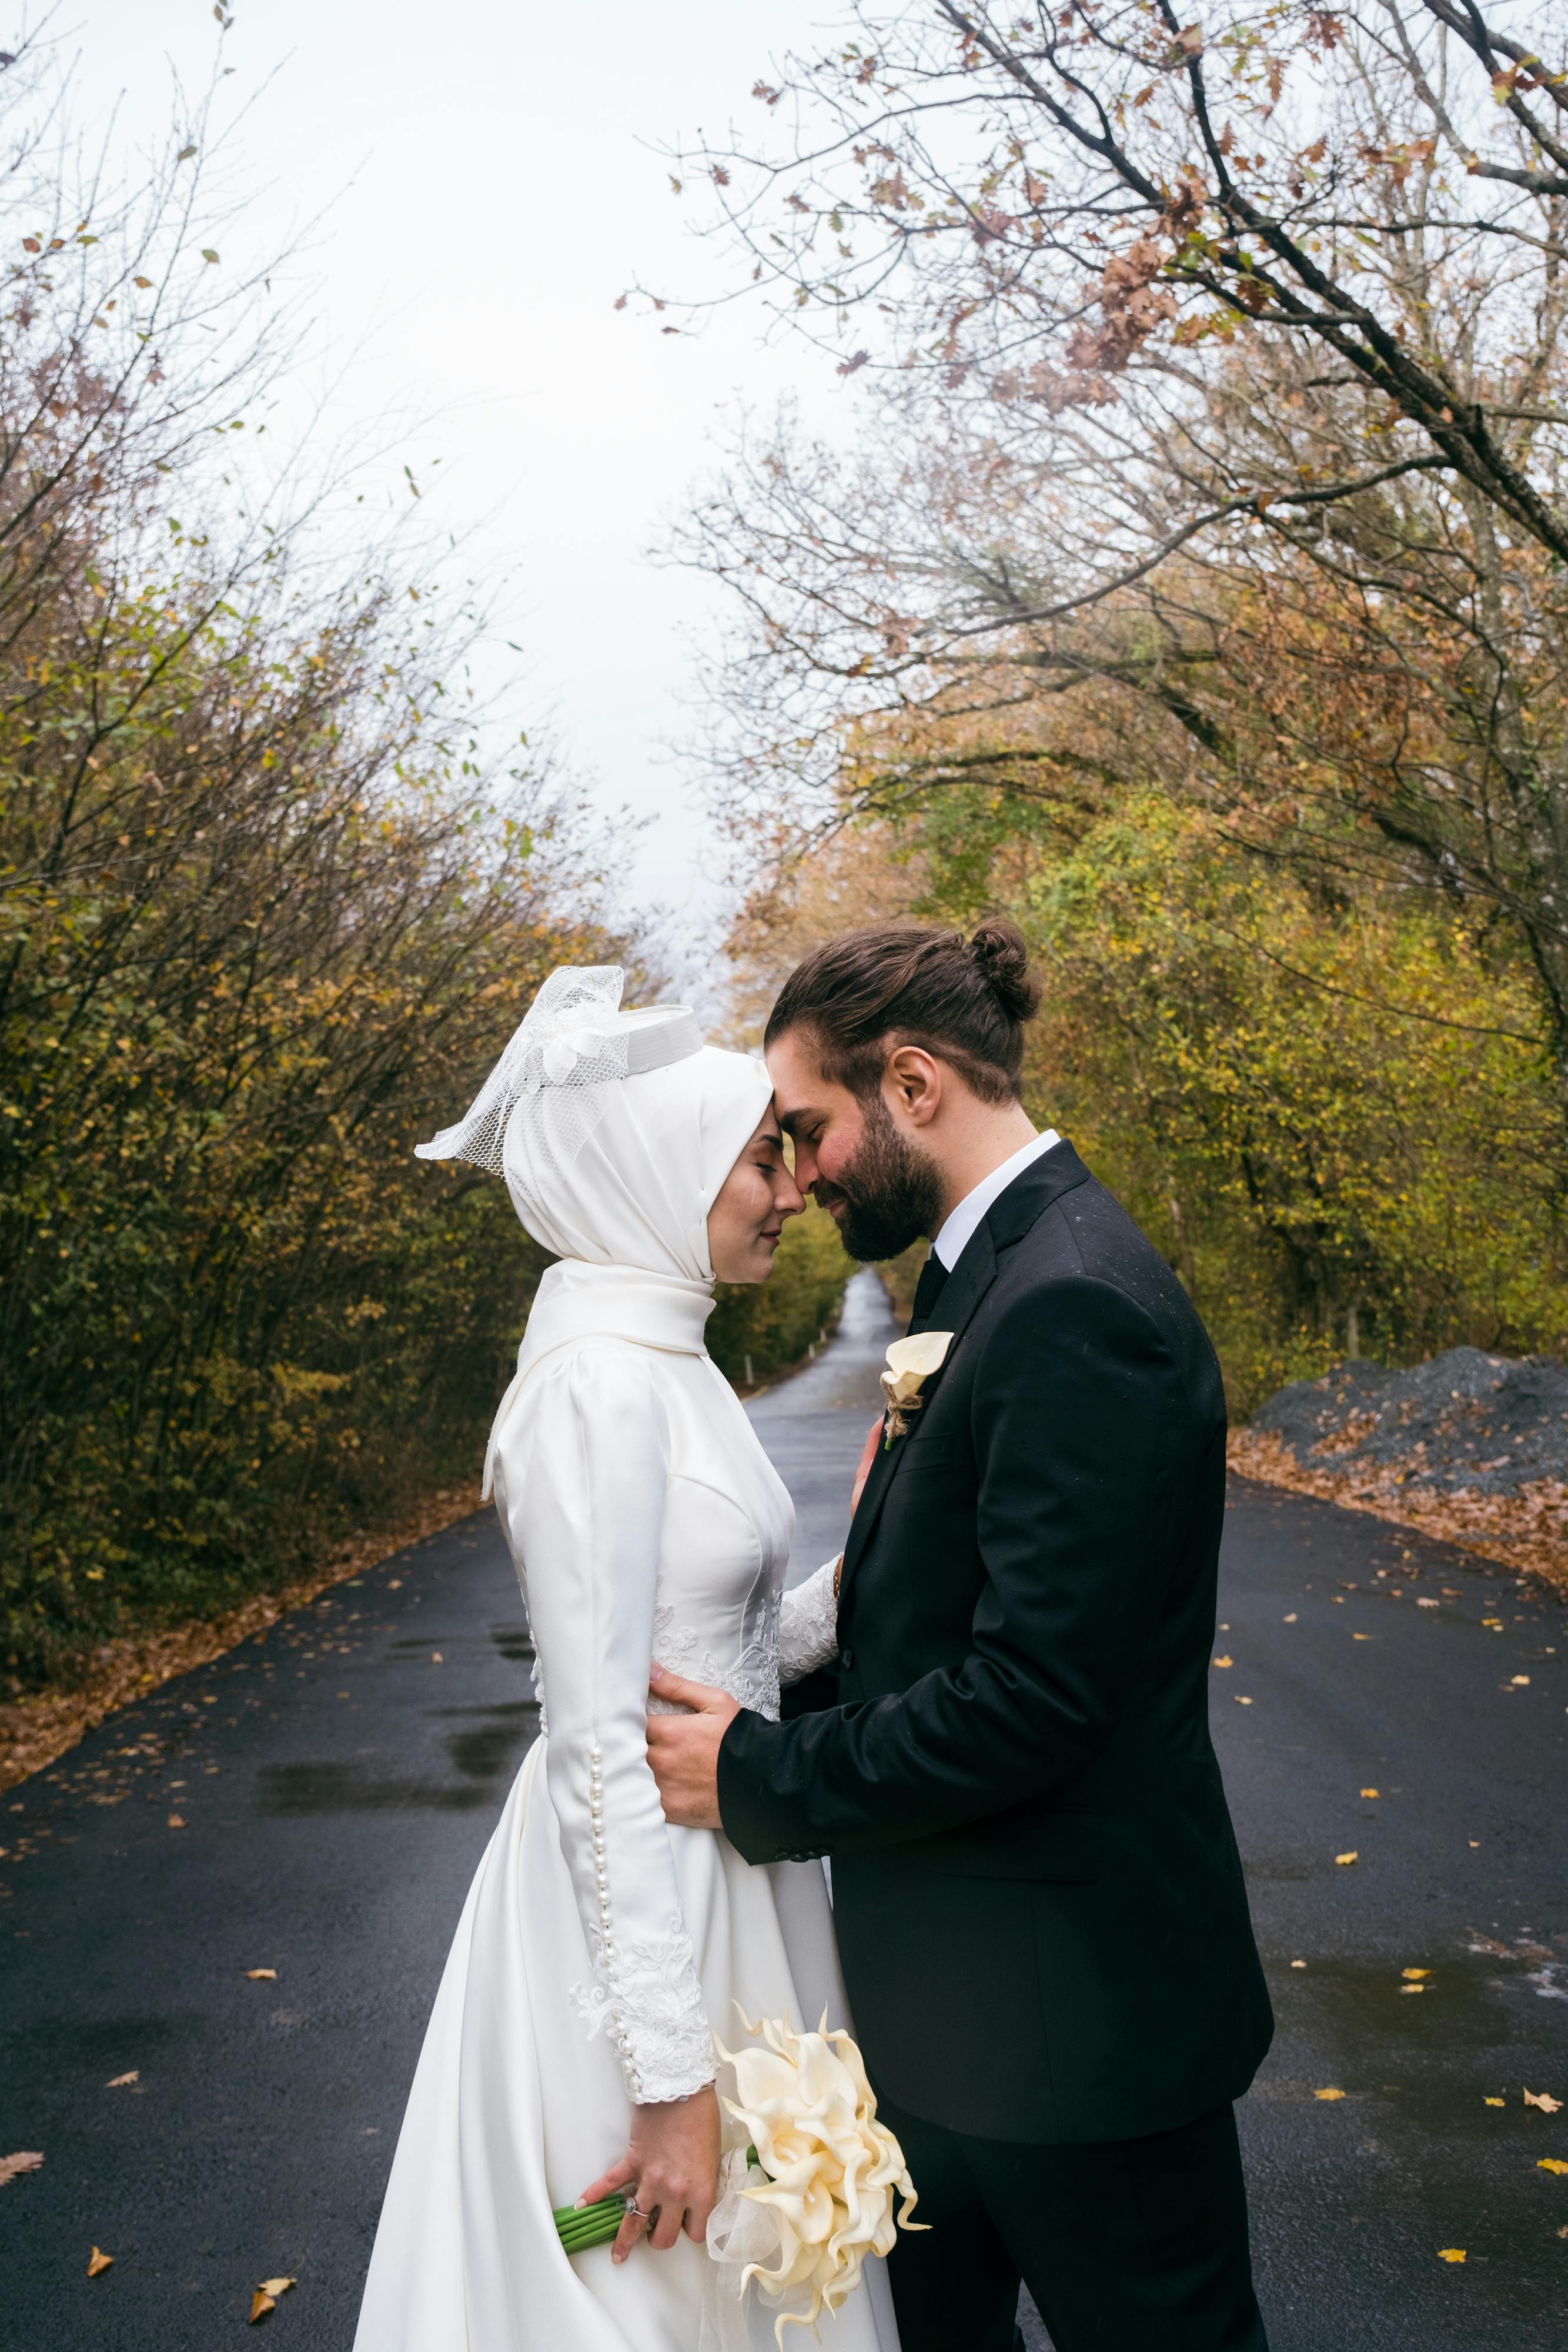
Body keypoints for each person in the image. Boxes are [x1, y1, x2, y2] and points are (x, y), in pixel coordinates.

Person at [646, 921, 1275, 2352]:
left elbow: (1034, 1696)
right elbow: (925, 1626)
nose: (799, 1172)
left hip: (1087, 2043)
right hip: (948, 2036)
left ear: (912, 1083)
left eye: (807, 1126)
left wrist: (756, 1775)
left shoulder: (1073, 1300)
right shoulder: (988, 1278)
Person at [353, 966, 900, 2352]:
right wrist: (667, 2084)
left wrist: (886, 1547)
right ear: (659, 1168)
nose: (790, 1190)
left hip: (735, 1868)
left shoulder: (670, 1356)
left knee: (751, 2281)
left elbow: (718, 1648)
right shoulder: (594, 1384)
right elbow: (597, 1740)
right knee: (649, 2281)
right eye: (758, 1160)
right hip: (636, 1916)